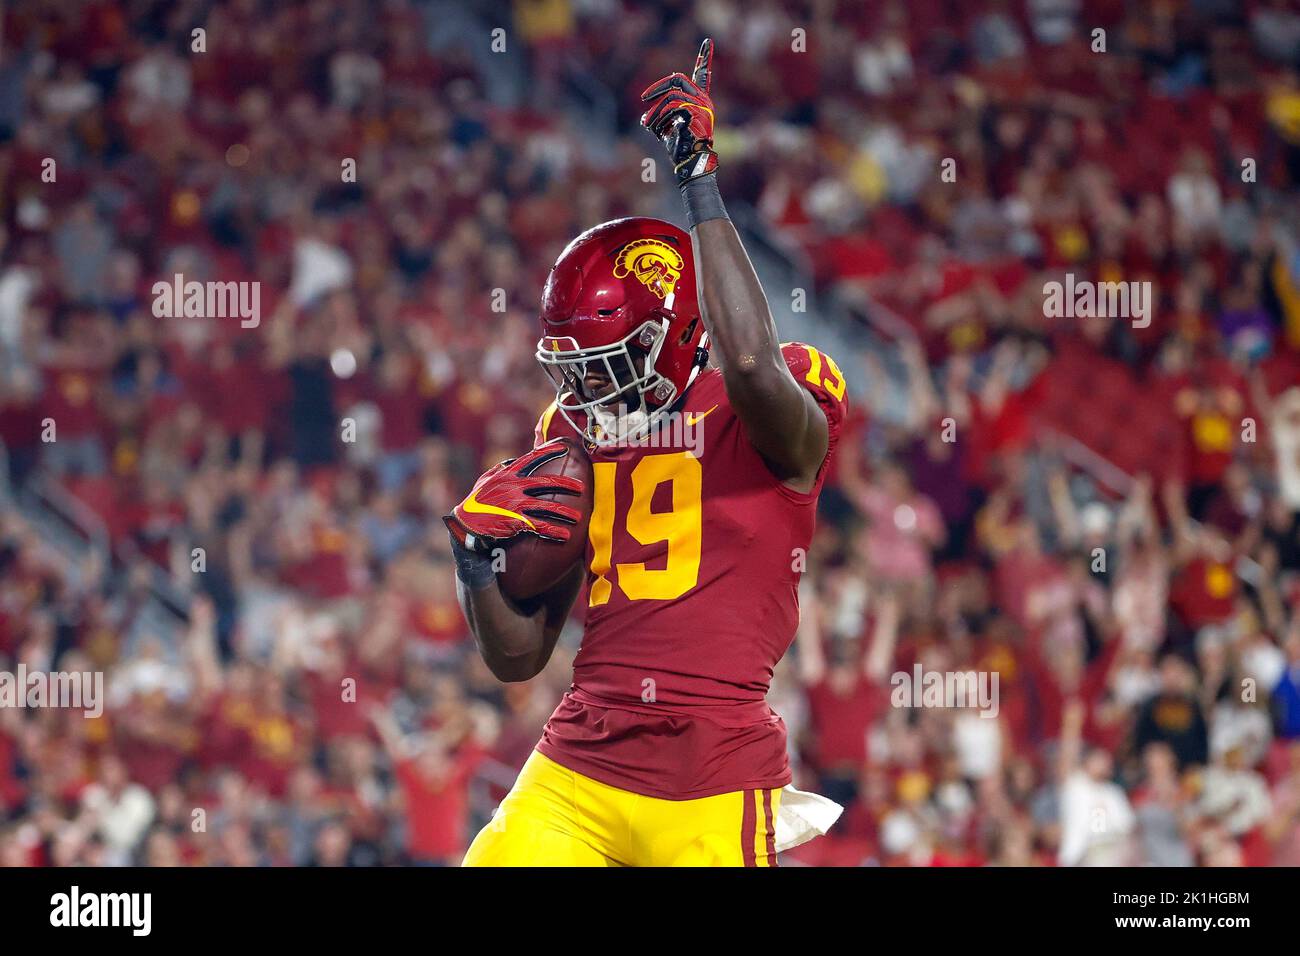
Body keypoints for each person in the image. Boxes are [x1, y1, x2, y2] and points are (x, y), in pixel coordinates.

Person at [444, 40, 846, 866]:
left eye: (609, 366)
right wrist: (476, 564)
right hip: (579, 767)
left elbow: (746, 363)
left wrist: (699, 180)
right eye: (576, 373)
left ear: (675, 334)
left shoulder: (773, 404)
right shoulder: (574, 428)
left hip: (715, 776)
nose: (591, 395)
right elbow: (519, 659)